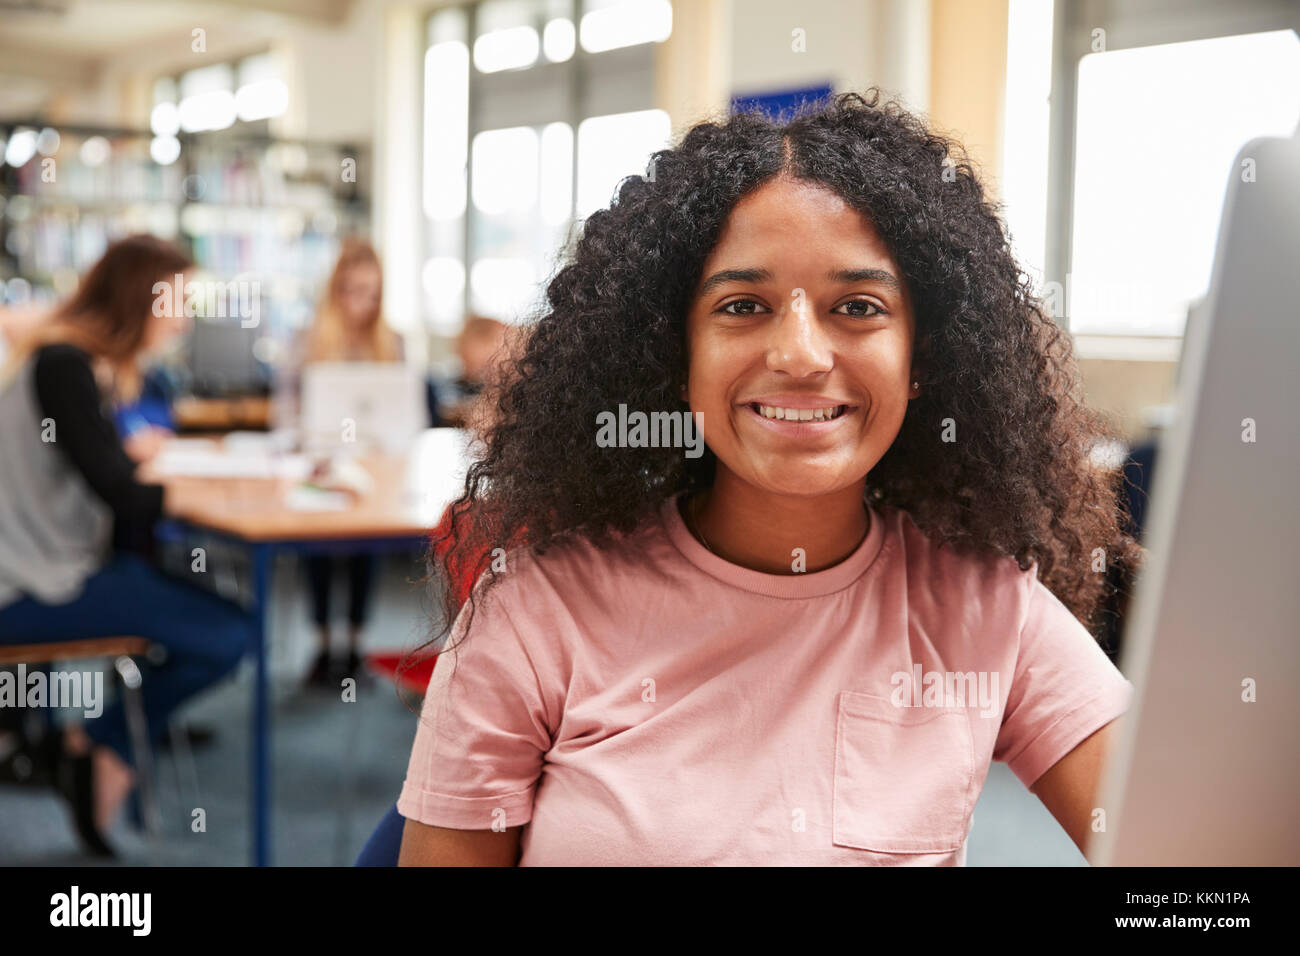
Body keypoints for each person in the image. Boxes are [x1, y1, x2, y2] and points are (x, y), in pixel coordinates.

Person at [396, 90, 1144, 866]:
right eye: (744, 305)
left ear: (923, 359)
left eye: (857, 305)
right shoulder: (536, 608)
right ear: (675, 358)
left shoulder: (990, 608)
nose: (799, 354)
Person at [0, 234, 250, 856]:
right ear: (143, 300)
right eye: (179, 300)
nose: (186, 316)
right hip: (30, 586)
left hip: (49, 568)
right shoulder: (66, 364)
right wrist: (218, 494)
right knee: (229, 633)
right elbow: (119, 493)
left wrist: (136, 458)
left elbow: (98, 467)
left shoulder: (74, 361)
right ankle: (99, 741)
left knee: (205, 616)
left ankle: (91, 743)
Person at [296, 238, 403, 685]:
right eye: (353, 290)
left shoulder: (391, 342)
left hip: (373, 469)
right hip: (319, 467)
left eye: (372, 293)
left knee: (365, 548)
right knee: (316, 544)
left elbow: (403, 412)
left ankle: (355, 645)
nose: (362, 303)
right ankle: (323, 645)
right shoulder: (308, 341)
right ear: (336, 289)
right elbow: (287, 411)